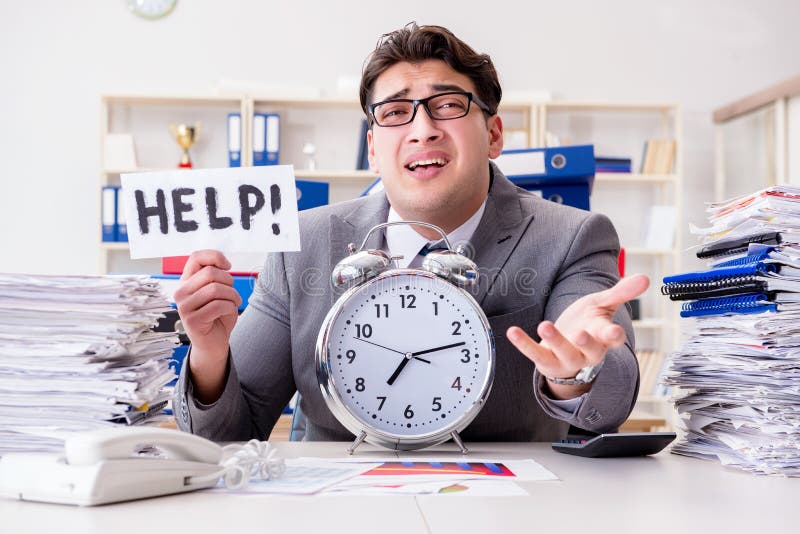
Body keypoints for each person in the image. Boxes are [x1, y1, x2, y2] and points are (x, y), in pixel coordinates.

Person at [173, 23, 649, 442]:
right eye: (396, 112)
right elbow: (228, 433)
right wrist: (210, 356)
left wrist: (576, 373)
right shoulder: (302, 245)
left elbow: (610, 404)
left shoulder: (572, 236)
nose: (423, 130)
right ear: (373, 149)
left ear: (494, 135)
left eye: (448, 105)